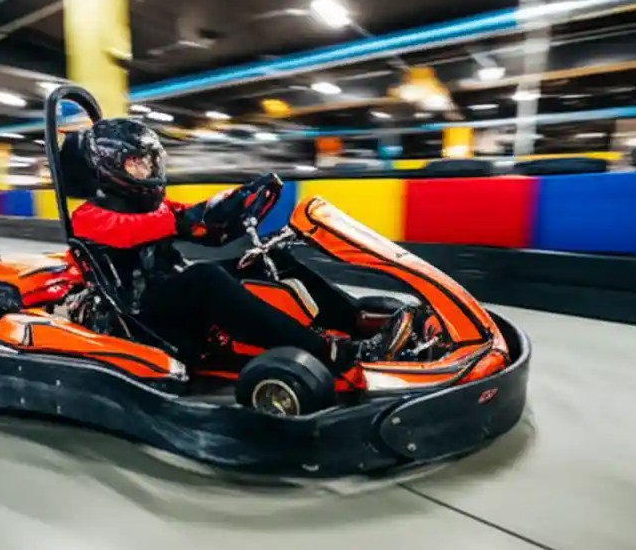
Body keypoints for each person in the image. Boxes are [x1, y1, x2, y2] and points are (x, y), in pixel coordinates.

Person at [69, 118, 412, 372]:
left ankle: (359, 320)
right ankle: (332, 353)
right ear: (110, 166)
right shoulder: (89, 216)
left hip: (172, 288)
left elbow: (191, 218)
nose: (148, 169)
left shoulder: (153, 204)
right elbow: (140, 230)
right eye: (137, 163)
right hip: (142, 312)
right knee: (206, 278)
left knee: (266, 258)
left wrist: (231, 204)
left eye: (149, 161)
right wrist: (192, 220)